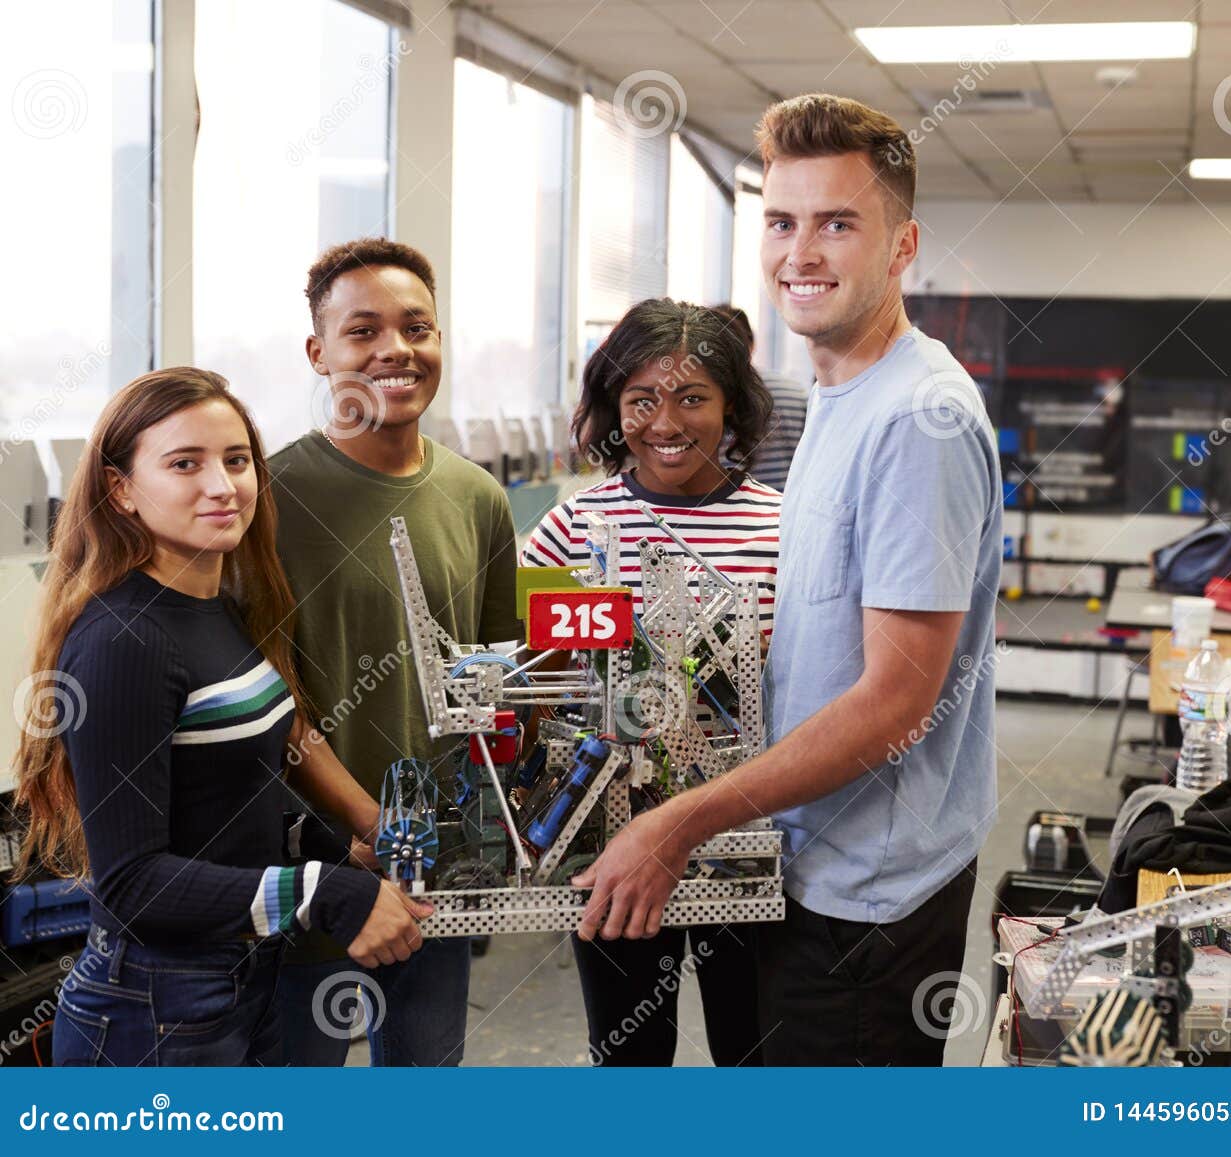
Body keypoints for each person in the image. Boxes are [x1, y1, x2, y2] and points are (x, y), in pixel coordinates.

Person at [569, 94, 1003, 1066]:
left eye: (837, 223)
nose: (800, 252)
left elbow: (895, 701)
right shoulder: (839, 397)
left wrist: (679, 822)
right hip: (809, 864)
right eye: (780, 222)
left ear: (901, 246)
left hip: (867, 904)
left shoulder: (916, 421)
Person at [11, 368, 429, 1067]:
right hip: (153, 1008)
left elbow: (222, 799)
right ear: (121, 488)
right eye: (185, 464)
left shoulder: (217, 605)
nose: (223, 485)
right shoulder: (126, 638)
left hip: (242, 982)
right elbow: (132, 883)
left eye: (236, 460)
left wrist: (335, 847)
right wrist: (325, 891)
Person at [270, 238, 523, 1066]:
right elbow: (262, 704)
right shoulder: (265, 499)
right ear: (319, 352)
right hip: (309, 873)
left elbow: (495, 687)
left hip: (436, 874)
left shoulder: (478, 499)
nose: (395, 350)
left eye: (417, 328)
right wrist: (367, 824)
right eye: (363, 331)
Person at [522, 298, 778, 1066]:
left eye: (693, 397)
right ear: (614, 406)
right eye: (641, 399)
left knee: (756, 1054)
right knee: (629, 1058)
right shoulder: (571, 531)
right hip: (616, 845)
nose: (665, 422)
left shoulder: (784, 528)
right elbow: (531, 678)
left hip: (747, 834)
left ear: (731, 404)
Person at [709, 304, 810, 491]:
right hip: (790, 502)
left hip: (731, 505)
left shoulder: (705, 399)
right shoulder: (796, 393)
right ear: (752, 344)